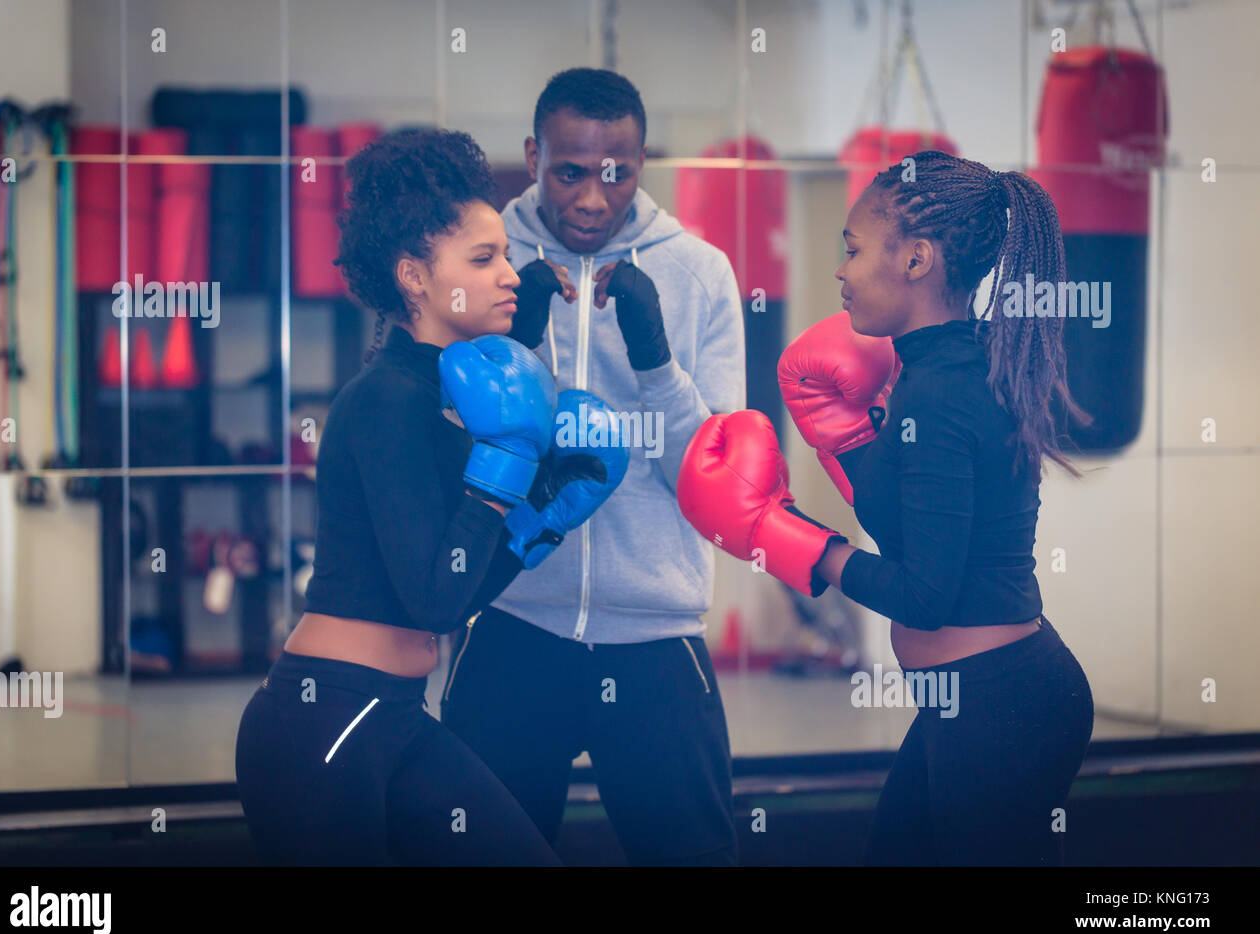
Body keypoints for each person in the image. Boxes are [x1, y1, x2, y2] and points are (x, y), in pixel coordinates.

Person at [679, 150, 1095, 865]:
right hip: (988, 695)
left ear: (917, 259)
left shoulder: (938, 391)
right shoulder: (956, 365)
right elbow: (910, 523)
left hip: (998, 704)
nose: (839, 270)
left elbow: (925, 595)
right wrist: (841, 434)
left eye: (852, 248)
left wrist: (787, 537)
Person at [234, 128, 624, 865]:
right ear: (415, 278)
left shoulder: (455, 402)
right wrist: (510, 469)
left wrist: (544, 517)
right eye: (484, 258)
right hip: (326, 719)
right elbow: (435, 603)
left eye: (505, 252)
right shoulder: (384, 400)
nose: (511, 274)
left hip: (399, 718)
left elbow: (462, 587)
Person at [438, 68, 747, 866]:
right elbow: (446, 446)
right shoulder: (480, 258)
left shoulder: (701, 273)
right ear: (533, 155)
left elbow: (716, 484)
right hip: (511, 619)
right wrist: (521, 348)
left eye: (615, 174)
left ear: (642, 162)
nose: (589, 199)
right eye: (568, 171)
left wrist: (655, 363)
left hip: (656, 631)